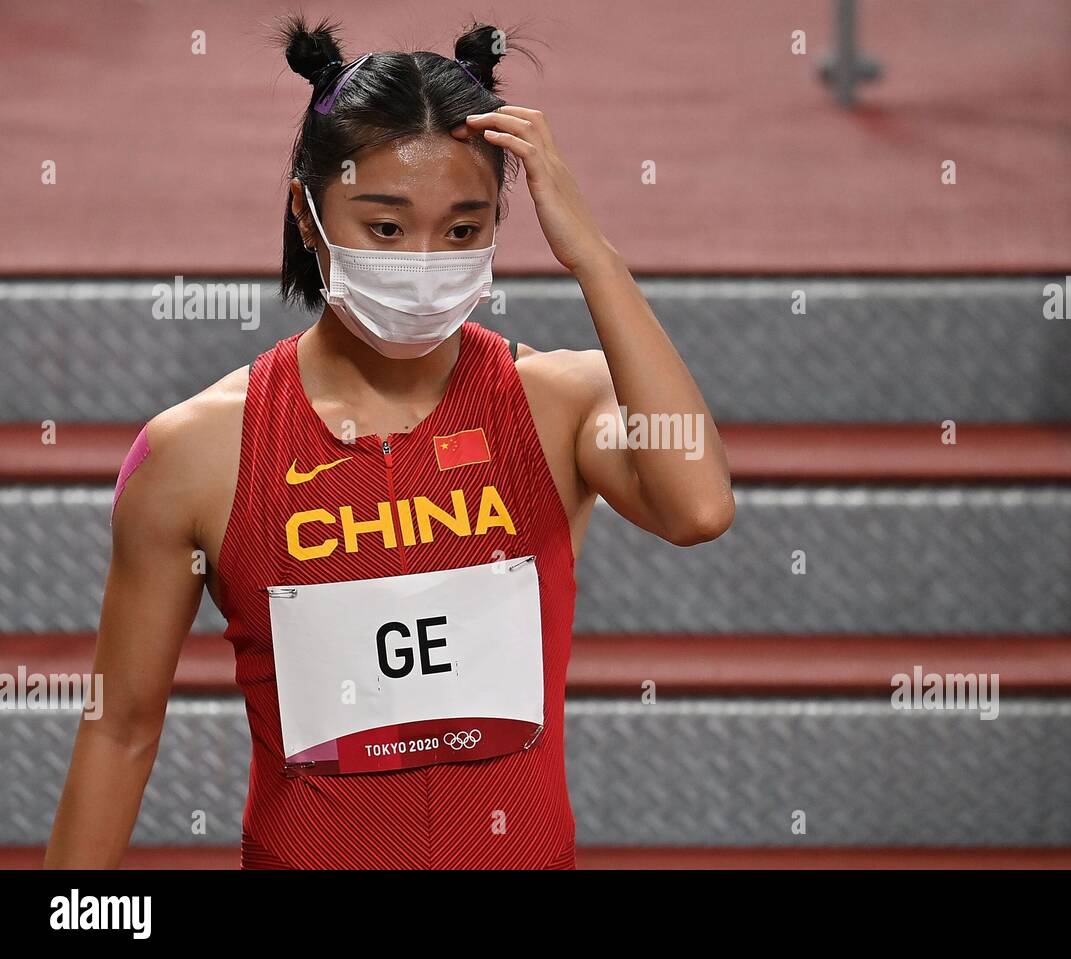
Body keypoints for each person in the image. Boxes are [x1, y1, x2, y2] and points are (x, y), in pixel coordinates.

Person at [44, 15, 734, 869]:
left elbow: (699, 507)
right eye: (384, 227)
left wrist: (592, 253)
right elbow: (119, 728)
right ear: (307, 212)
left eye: (461, 229)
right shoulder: (197, 453)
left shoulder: (558, 404)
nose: (424, 259)